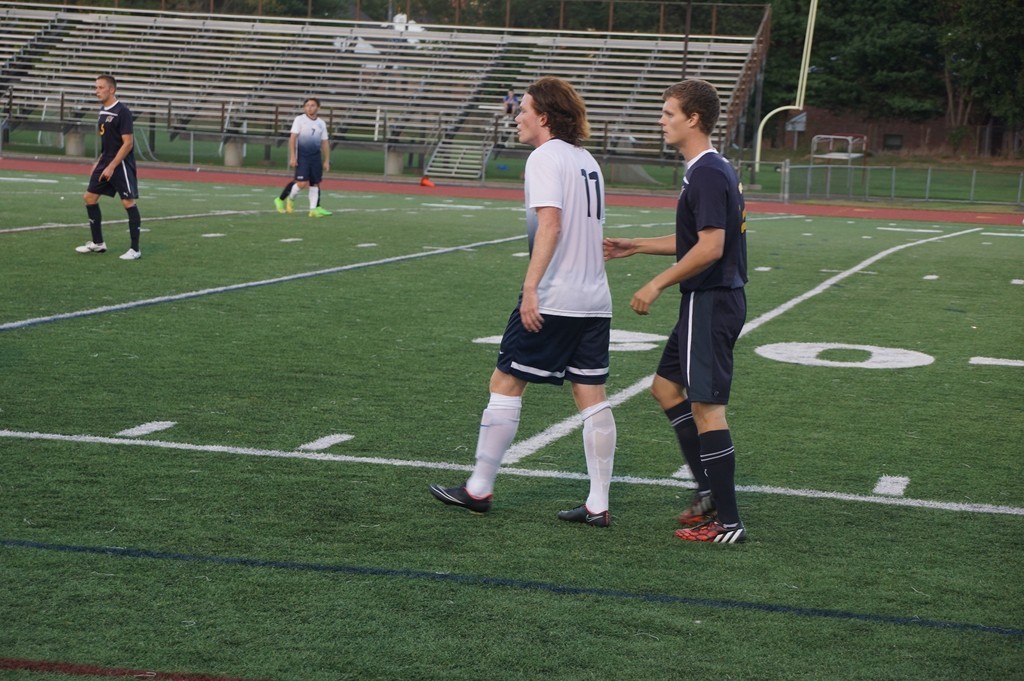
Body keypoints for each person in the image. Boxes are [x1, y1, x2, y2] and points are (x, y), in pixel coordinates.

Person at [430, 77, 617, 527]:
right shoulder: (586, 159)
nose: (517, 116)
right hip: (595, 299)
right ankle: (598, 503)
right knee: (591, 395)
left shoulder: (544, 157)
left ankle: (478, 488)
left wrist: (531, 288)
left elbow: (549, 225)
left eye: (524, 109)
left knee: (505, 382)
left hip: (555, 296)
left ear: (545, 117)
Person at [603, 78, 748, 544]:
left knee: (708, 408)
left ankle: (727, 522)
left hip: (711, 300)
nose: (661, 121)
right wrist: (638, 246)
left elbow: (710, 247)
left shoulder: (706, 171)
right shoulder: (707, 168)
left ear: (694, 119)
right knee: (666, 389)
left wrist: (657, 283)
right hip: (705, 300)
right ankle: (707, 489)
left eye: (668, 114)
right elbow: (694, 240)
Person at [75, 74, 142, 260]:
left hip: (120, 164)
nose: (97, 91)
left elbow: (128, 143)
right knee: (89, 197)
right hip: (106, 161)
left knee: (128, 202)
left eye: (100, 87)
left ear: (112, 89)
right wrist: (100, 161)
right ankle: (98, 243)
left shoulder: (123, 112)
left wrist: (112, 165)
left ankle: (135, 249)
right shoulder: (103, 111)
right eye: (96, 87)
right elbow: (108, 142)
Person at [274, 97, 332, 218]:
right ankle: (287, 199)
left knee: (315, 183)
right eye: (307, 105)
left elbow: (325, 142)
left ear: (318, 107)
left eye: (312, 105)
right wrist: (293, 156)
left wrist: (326, 160)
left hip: (315, 157)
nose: (310, 107)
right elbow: (293, 138)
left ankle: (313, 210)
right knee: (301, 183)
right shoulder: (299, 120)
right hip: (303, 156)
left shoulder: (321, 123)